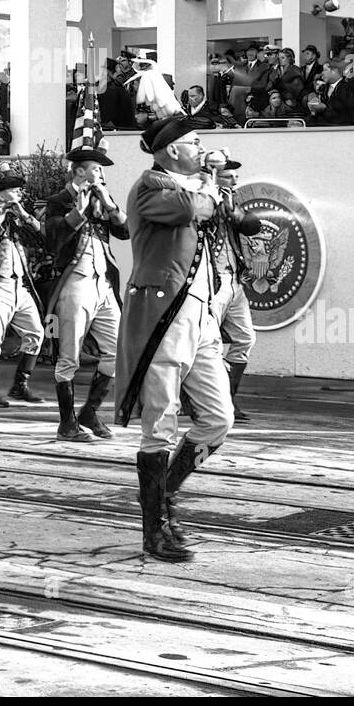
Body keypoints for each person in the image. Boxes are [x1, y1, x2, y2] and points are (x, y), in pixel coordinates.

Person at [115, 115, 234, 563]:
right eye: (195, 142)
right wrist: (210, 180)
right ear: (172, 151)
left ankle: (166, 494)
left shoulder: (188, 183)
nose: (202, 147)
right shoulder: (150, 185)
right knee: (161, 424)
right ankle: (154, 531)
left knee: (218, 419)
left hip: (199, 318)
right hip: (162, 318)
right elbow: (193, 209)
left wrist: (214, 183)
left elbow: (222, 213)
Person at [42, 147, 129, 443]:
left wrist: (109, 204)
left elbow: (126, 231)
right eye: (97, 169)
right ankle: (67, 424)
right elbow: (52, 238)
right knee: (69, 356)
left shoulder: (102, 199)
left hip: (103, 282)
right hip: (74, 281)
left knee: (117, 350)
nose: (102, 175)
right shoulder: (58, 201)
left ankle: (90, 412)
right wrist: (78, 211)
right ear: (80, 171)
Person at [0, 167, 46, 408]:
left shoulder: (19, 217)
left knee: (36, 333)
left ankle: (19, 386)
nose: (19, 193)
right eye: (14, 190)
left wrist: (23, 214)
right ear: (2, 193)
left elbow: (40, 239)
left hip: (20, 285)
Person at [206, 158, 266, 424]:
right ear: (215, 178)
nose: (234, 181)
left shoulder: (232, 205)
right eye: (228, 176)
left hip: (234, 281)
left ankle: (227, 400)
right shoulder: (202, 202)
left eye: (234, 177)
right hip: (210, 282)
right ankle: (199, 400)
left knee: (245, 338)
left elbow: (252, 226)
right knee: (205, 343)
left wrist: (231, 209)